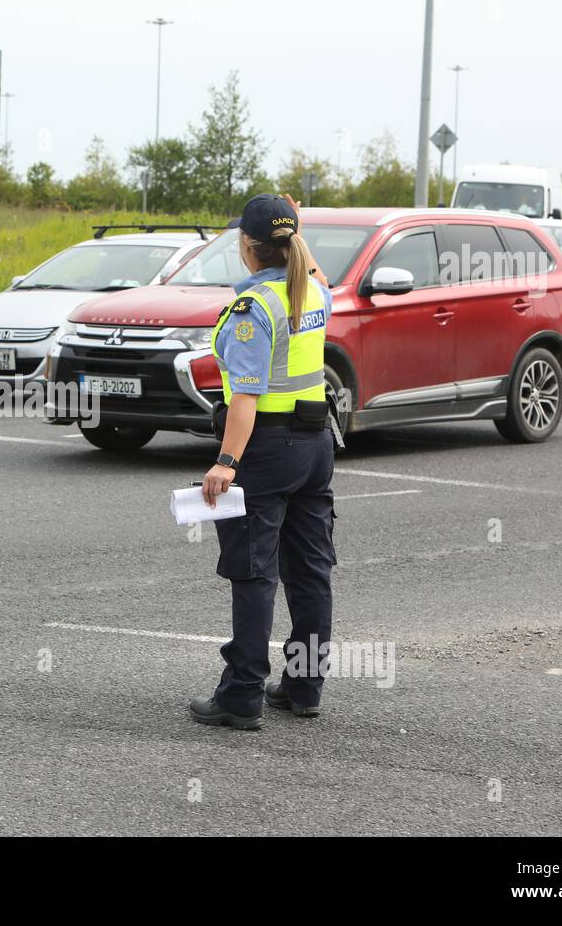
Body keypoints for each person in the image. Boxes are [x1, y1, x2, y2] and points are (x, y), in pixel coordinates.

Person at [189, 193, 337, 729]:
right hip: (316, 446)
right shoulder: (313, 293)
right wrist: (298, 224)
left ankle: (242, 694)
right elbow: (316, 270)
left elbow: (245, 396)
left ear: (247, 248)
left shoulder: (254, 310)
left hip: (267, 450)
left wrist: (227, 461)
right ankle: (303, 686)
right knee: (311, 570)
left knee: (254, 573)